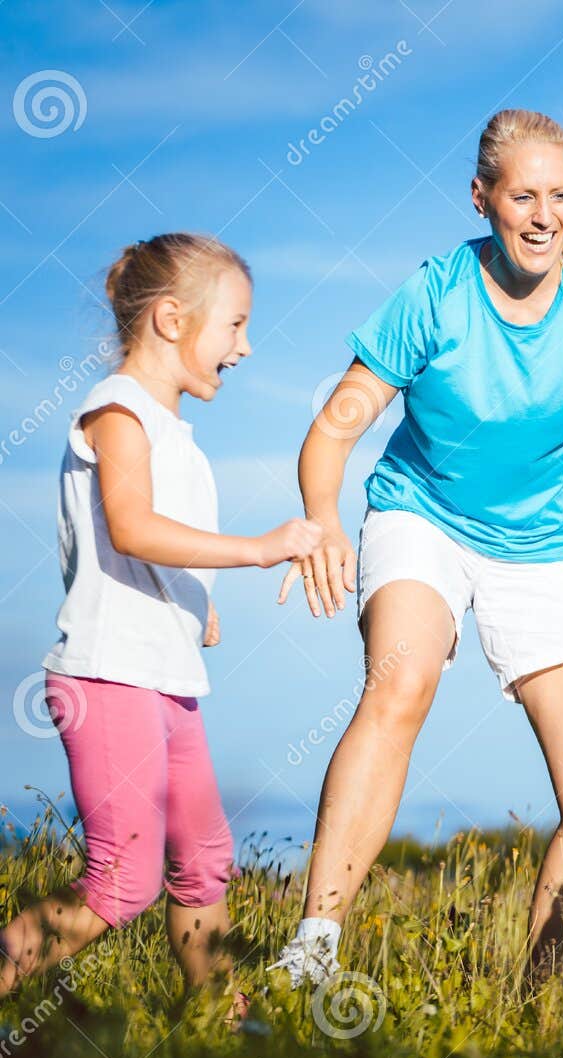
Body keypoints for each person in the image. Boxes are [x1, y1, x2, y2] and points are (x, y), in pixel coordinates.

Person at [269, 110, 563, 990]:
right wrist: (321, 516)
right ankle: (313, 952)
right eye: (523, 195)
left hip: (550, 544)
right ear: (482, 198)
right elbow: (336, 426)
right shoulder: (435, 295)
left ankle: (538, 1005)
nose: (544, 214)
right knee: (401, 680)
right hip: (423, 514)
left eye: (560, 195)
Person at [0, 234, 322, 1012]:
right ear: (173, 320)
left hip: (165, 678)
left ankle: (227, 1026)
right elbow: (134, 526)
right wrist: (257, 548)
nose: (244, 348)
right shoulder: (117, 410)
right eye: (235, 326)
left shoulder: (180, 435)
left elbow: (149, 546)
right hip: (106, 675)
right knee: (122, 881)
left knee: (206, 861)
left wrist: (194, 600)